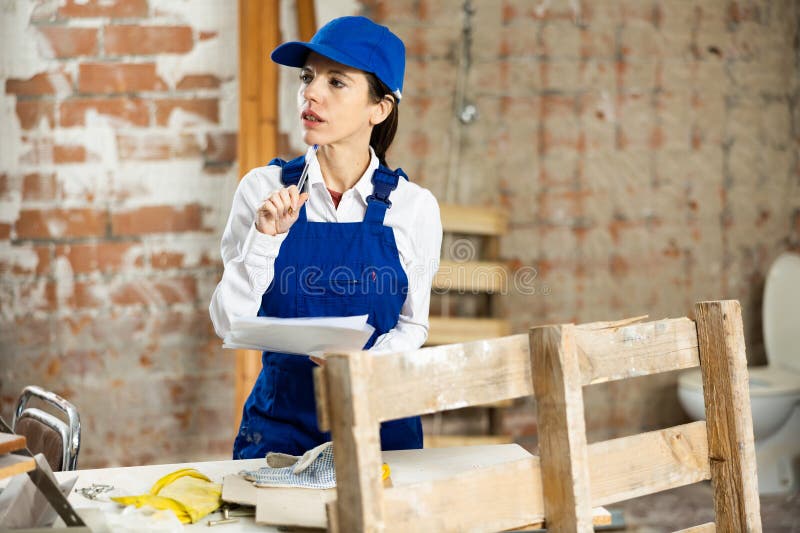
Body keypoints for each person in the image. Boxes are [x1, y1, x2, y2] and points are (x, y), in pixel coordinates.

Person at [209, 16, 442, 459]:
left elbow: (414, 325)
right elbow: (228, 322)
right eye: (308, 77)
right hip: (280, 428)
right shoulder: (263, 191)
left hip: (380, 424)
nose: (310, 92)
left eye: (337, 82)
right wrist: (264, 238)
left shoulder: (415, 208)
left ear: (380, 108)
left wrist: (361, 366)